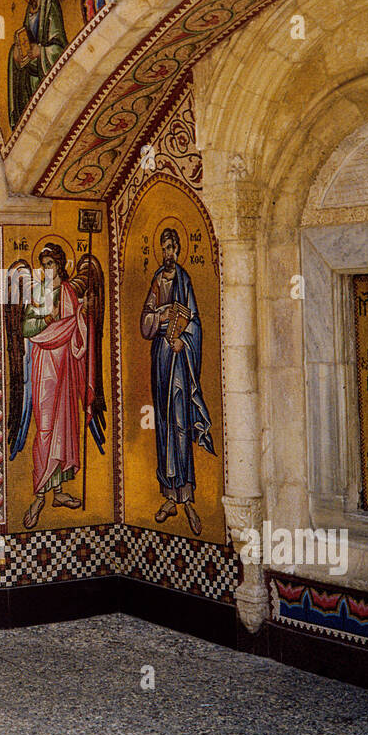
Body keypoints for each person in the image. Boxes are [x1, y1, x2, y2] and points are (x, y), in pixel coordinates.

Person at [140, 228, 215, 535]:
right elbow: (145, 323)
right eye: (164, 247)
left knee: (181, 422)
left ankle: (187, 494)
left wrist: (183, 339)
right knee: (164, 423)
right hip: (160, 356)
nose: (167, 252)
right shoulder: (158, 280)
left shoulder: (184, 280)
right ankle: (169, 496)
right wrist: (159, 316)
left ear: (179, 250)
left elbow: (195, 321)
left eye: (172, 247)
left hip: (180, 359)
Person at [20, 242, 88, 529]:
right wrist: (48, 318)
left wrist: (84, 316)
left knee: (65, 427)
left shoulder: (70, 292)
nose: (45, 269)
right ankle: (39, 495)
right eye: (43, 264)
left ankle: (58, 493)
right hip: (45, 364)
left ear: (60, 266)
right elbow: (26, 328)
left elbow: (79, 327)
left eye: (49, 264)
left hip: (67, 367)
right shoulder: (38, 292)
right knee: (46, 427)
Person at [8, 0, 67, 129]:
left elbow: (60, 47)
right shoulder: (30, 7)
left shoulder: (50, 1)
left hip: (45, 69)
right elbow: (27, 37)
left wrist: (40, 51)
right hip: (32, 72)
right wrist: (18, 50)